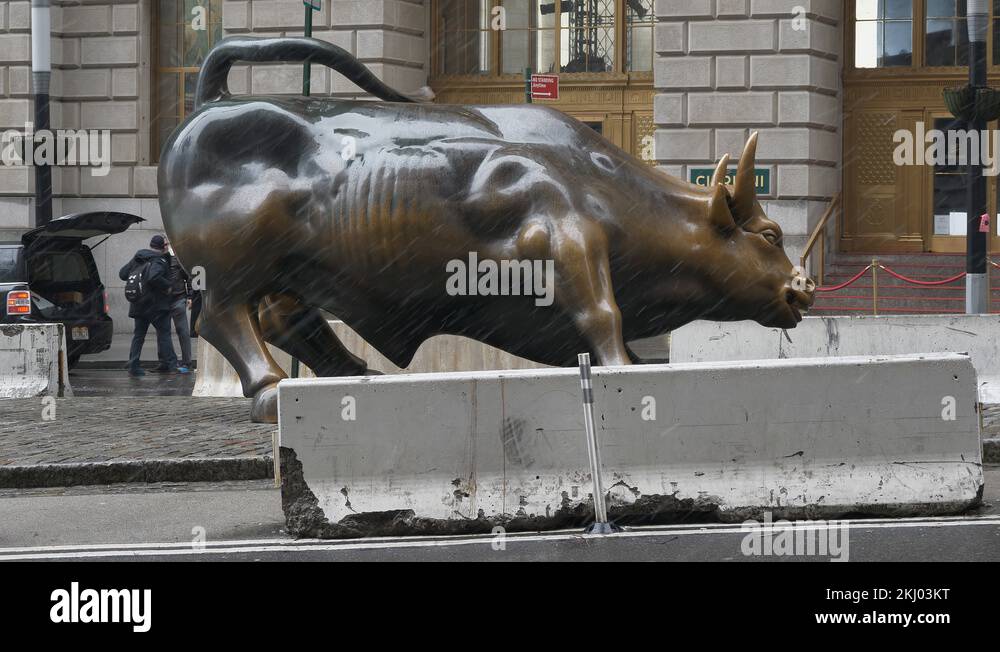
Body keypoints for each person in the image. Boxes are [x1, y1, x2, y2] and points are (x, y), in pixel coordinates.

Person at [118, 235, 178, 376]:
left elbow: (122, 274)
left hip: (138, 305)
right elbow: (153, 276)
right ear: (163, 247)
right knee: (164, 335)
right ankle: (171, 364)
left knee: (138, 335)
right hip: (156, 306)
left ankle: (133, 365)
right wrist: (168, 286)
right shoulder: (159, 260)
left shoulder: (138, 257)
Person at [163, 239, 193, 374]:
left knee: (183, 331)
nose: (165, 247)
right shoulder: (159, 261)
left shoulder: (177, 260)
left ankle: (187, 362)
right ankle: (166, 362)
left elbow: (189, 277)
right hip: (163, 301)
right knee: (163, 332)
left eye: (166, 244)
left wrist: (190, 296)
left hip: (178, 298)